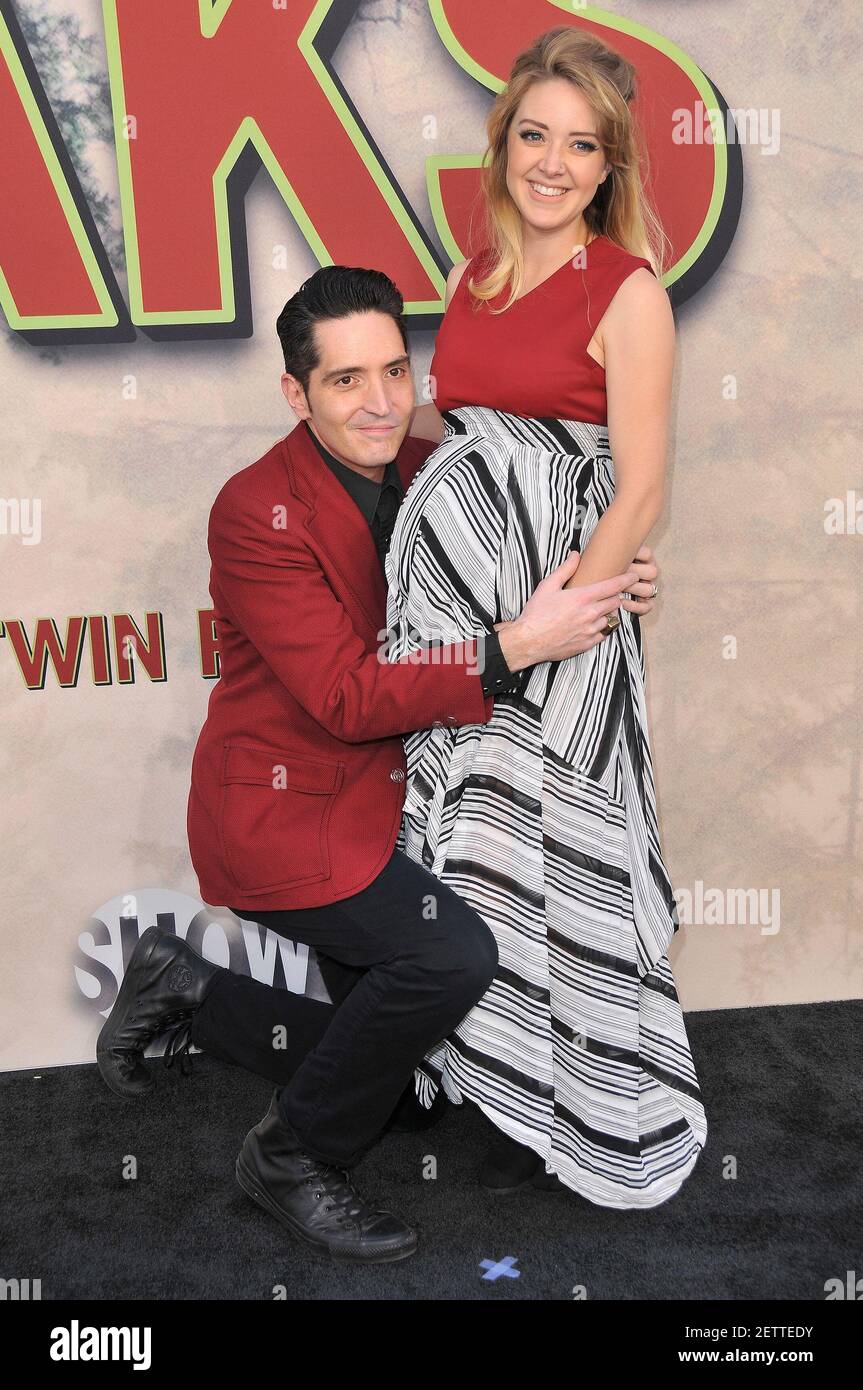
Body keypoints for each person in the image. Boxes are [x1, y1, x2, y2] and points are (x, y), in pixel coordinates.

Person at [96, 266, 662, 1261]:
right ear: (296, 392)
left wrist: (610, 580)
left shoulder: (437, 466)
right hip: (285, 822)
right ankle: (288, 1155)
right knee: (451, 958)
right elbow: (348, 696)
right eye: (346, 380)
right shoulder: (253, 511)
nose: (380, 401)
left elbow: (541, 568)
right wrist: (515, 644)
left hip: (401, 805)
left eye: (395, 371)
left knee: (404, 1086)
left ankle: (188, 987)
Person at [385, 26, 708, 1209]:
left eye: (583, 146)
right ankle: (503, 1075)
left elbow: (640, 486)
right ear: (502, 142)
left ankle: (596, 1103)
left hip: (555, 613)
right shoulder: (470, 280)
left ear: (610, 166)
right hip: (463, 609)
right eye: (535, 135)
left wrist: (572, 603)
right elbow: (461, 434)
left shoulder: (627, 291)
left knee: (568, 842)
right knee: (478, 846)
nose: (553, 163)